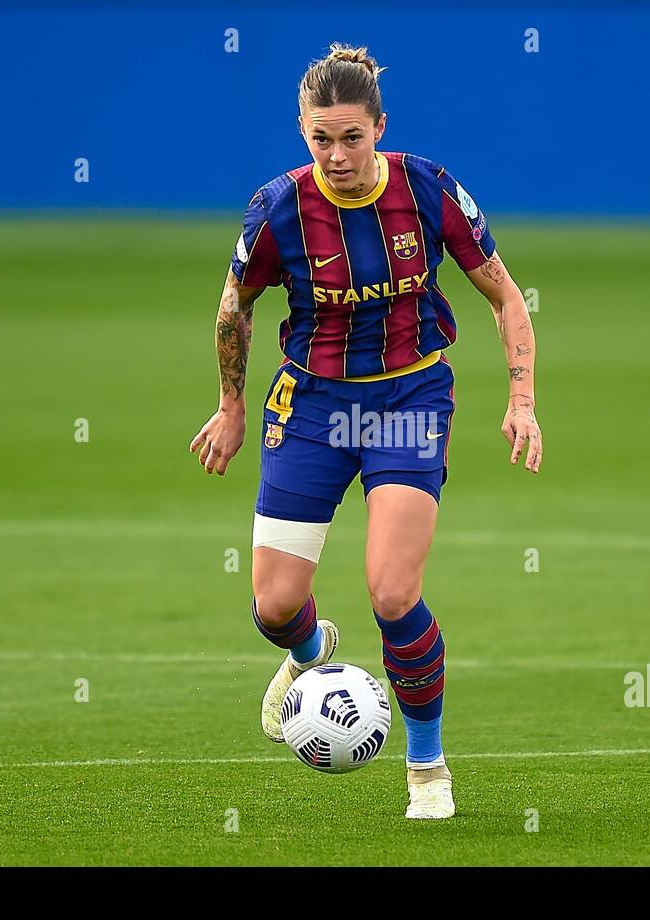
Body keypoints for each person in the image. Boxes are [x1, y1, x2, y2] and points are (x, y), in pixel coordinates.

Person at [190, 43, 542, 819]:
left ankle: (428, 768)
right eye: (321, 138)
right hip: (312, 407)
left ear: (380, 126)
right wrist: (232, 405)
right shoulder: (277, 209)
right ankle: (312, 656)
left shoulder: (428, 190)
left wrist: (522, 398)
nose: (337, 154)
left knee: (393, 590)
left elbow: (506, 297)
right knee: (275, 607)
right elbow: (232, 309)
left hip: (408, 401)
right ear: (302, 132)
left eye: (352, 136)